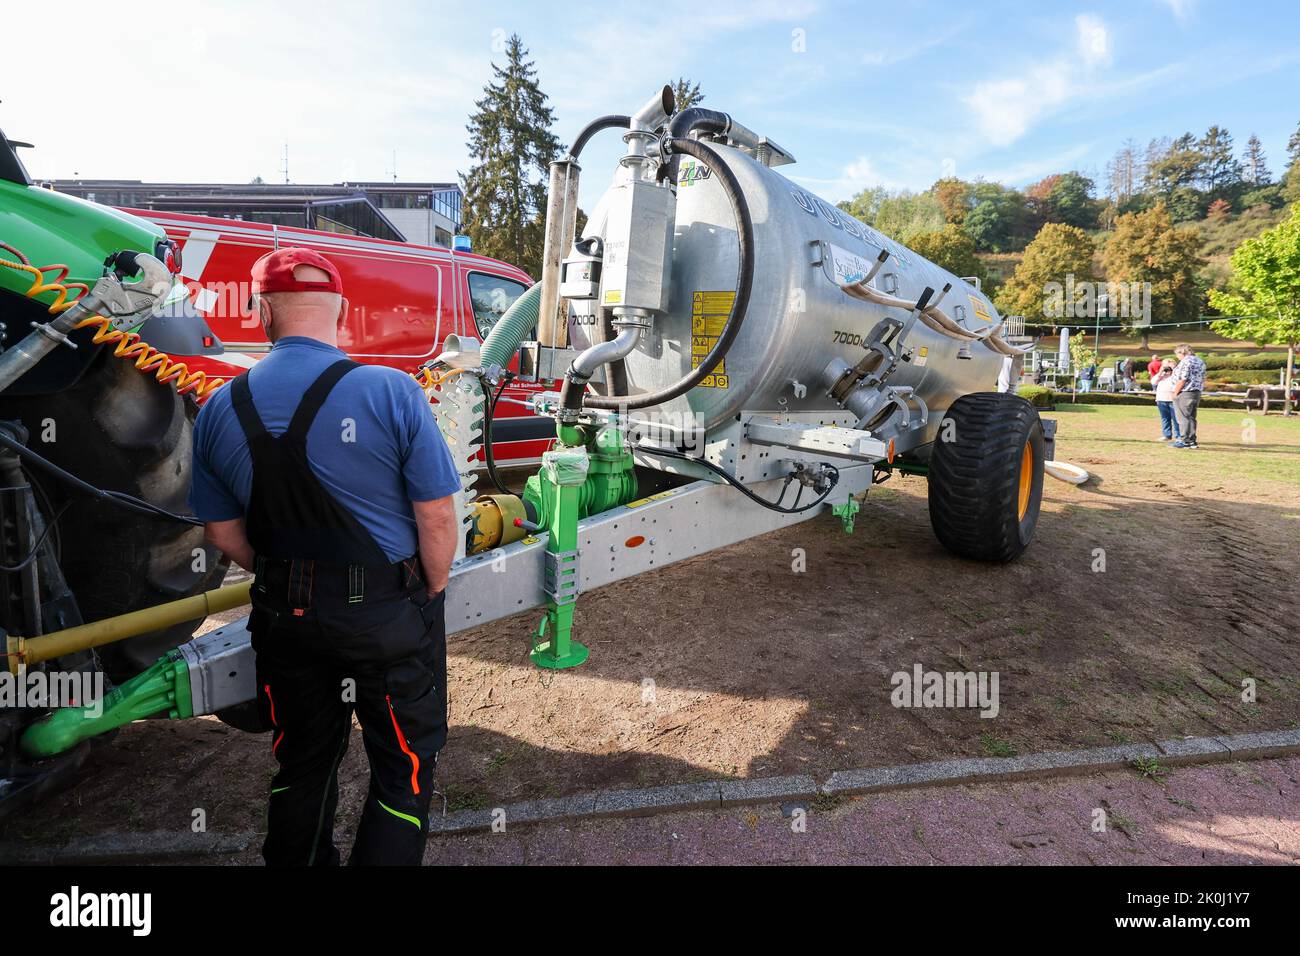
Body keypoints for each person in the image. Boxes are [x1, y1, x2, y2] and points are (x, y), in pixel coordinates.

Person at [188, 248, 462, 865]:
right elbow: (438, 517)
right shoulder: (391, 391)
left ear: (262, 313)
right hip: (388, 616)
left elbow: (221, 532)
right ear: (341, 313)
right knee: (404, 767)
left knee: (303, 759)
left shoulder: (218, 409)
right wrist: (429, 590)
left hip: (286, 618)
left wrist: (286, 575)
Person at [1169, 343, 1206, 450]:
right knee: (1191, 417)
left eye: (1177, 354)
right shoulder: (1200, 361)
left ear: (1182, 352)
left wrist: (1175, 392)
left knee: (1183, 417)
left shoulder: (1186, 362)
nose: (1177, 357)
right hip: (1196, 392)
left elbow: (1182, 379)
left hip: (1184, 392)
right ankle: (1192, 441)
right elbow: (1203, 377)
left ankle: (1185, 441)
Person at [1152, 359, 1181, 441]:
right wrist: (1160, 373)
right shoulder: (1161, 376)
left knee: (1176, 418)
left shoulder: (1176, 375)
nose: (1167, 368)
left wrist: (1173, 371)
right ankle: (1166, 435)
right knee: (1165, 418)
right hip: (1161, 399)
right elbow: (1153, 382)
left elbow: (1177, 383)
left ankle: (1178, 436)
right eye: (1165, 366)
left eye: (1169, 366)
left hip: (1172, 399)